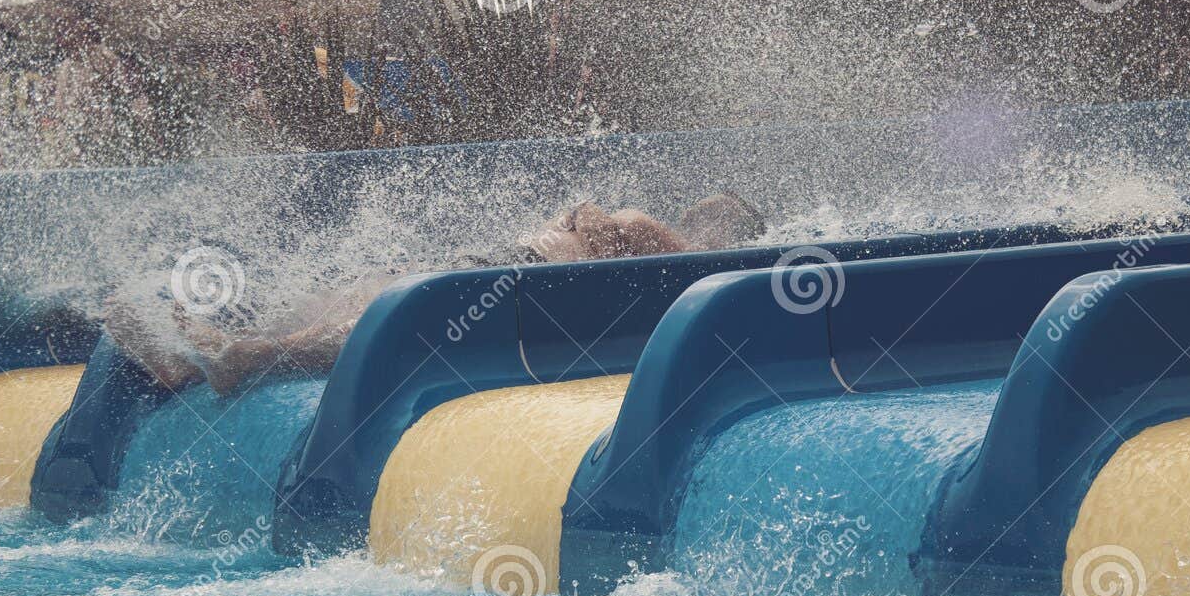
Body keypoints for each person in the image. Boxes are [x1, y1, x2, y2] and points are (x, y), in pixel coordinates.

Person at [103, 192, 765, 396]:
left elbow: (597, 218)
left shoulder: (640, 237)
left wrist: (587, 216)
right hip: (506, 275)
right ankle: (227, 352)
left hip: (506, 273)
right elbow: (601, 221)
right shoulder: (648, 241)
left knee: (368, 311)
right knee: (378, 315)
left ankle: (217, 357)